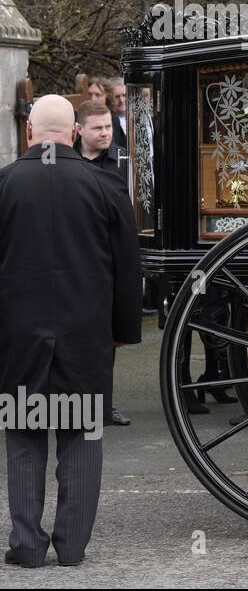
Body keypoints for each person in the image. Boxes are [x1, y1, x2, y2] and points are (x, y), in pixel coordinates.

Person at [0, 95, 141, 567]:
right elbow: (127, 268)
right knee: (80, 439)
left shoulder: (4, 185)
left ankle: (26, 546)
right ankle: (73, 546)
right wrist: (122, 330)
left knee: (24, 436)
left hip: (17, 336)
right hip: (86, 334)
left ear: (29, 132)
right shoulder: (104, 186)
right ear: (75, 133)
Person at [75, 100, 131, 426]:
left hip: (109, 257)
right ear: (79, 129)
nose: (105, 133)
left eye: (108, 126)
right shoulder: (64, 161)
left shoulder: (121, 159)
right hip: (74, 255)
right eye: (97, 128)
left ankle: (105, 405)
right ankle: (75, 404)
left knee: (108, 339)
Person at [108, 77, 129, 151]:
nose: (121, 100)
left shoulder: (138, 117)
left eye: (124, 95)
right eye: (117, 96)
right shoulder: (108, 120)